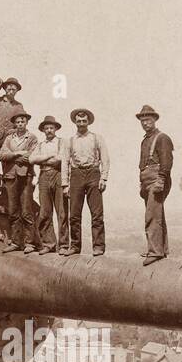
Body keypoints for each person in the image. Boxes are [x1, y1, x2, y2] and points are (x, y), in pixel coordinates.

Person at [61, 107, 108, 256]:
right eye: (79, 121)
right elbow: (65, 162)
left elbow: (105, 159)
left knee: (97, 213)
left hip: (93, 173)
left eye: (84, 121)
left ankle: (98, 247)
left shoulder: (97, 138)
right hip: (76, 175)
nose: (81, 123)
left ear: (88, 122)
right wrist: (65, 184)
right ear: (75, 122)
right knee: (74, 214)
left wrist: (104, 178)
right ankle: (75, 246)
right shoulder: (70, 140)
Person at [136, 105, 173, 265]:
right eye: (142, 120)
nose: (145, 123)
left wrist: (161, 180)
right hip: (146, 180)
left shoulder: (162, 138)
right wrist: (141, 184)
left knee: (152, 215)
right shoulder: (145, 140)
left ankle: (155, 251)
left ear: (155, 120)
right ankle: (161, 249)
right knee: (157, 214)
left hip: (157, 179)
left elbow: (166, 162)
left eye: (148, 120)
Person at [0, 109, 39, 253]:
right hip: (10, 176)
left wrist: (14, 157)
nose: (20, 124)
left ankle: (29, 243)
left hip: (25, 176)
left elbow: (31, 156)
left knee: (27, 210)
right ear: (15, 124)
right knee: (13, 210)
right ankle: (16, 242)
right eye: (18, 122)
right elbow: (1, 155)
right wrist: (17, 154)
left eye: (23, 121)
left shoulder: (32, 138)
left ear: (27, 122)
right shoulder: (9, 138)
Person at [30, 115, 67, 255]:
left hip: (58, 175)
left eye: (51, 128)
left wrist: (44, 160)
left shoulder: (61, 142)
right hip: (44, 176)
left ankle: (63, 245)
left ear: (56, 129)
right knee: (45, 211)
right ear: (43, 130)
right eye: (46, 128)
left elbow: (61, 158)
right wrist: (47, 157)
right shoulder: (40, 145)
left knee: (62, 212)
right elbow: (32, 159)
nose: (49, 130)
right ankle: (49, 243)